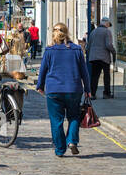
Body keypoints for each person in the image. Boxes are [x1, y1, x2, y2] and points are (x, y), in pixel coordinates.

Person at [35, 22, 89, 157]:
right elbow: (84, 72)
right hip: (74, 89)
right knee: (74, 116)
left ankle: (60, 149)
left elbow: (43, 71)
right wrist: (88, 88)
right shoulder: (77, 50)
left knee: (56, 120)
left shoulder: (49, 51)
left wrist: (40, 86)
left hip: (54, 90)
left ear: (53, 34)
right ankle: (71, 140)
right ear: (67, 33)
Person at [86, 18, 116, 98]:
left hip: (94, 57)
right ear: (106, 24)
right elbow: (108, 45)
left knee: (94, 76)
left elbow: (88, 46)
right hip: (104, 57)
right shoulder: (107, 32)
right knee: (106, 76)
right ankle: (106, 93)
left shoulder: (93, 32)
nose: (108, 26)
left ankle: (92, 93)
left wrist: (89, 56)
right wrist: (113, 52)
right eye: (109, 25)